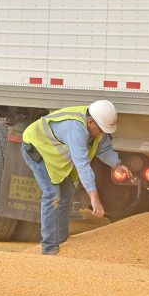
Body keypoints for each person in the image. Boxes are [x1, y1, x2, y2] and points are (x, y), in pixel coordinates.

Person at [21, 100, 121, 255]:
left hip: (53, 157)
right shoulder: (75, 128)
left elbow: (104, 149)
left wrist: (117, 164)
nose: (102, 133)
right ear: (90, 122)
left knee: (67, 193)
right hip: (36, 147)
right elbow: (83, 165)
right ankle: (49, 247)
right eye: (101, 129)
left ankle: (61, 241)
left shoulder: (96, 125)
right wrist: (94, 199)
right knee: (52, 194)